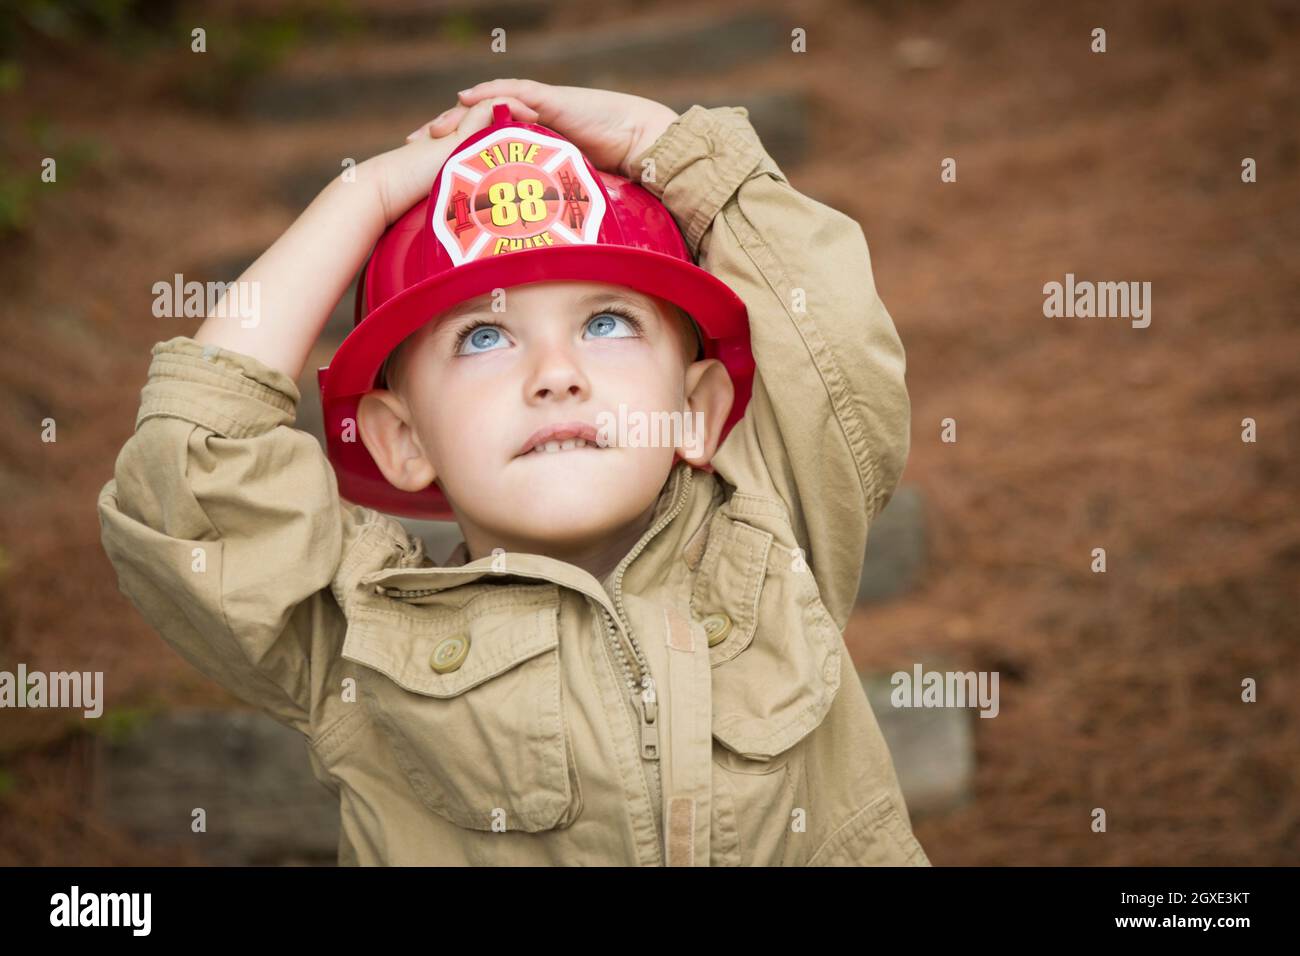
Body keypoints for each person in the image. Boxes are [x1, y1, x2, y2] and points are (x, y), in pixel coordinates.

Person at [98, 79, 927, 866]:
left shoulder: (777, 528)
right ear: (402, 438)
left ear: (698, 408)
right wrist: (365, 195)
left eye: (607, 322)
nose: (556, 373)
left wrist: (659, 143)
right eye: (484, 338)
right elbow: (192, 470)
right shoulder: (357, 638)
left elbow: (835, 346)